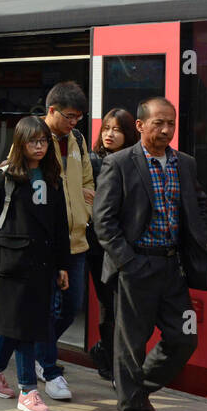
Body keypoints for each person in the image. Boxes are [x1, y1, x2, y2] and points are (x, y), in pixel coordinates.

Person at [93, 98, 207, 411]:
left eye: (171, 123)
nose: (166, 130)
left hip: (172, 267)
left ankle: (138, 390)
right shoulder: (119, 163)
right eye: (158, 123)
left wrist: (199, 235)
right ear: (141, 126)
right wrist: (128, 260)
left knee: (184, 338)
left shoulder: (184, 164)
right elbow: (104, 221)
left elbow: (201, 202)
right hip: (136, 266)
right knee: (131, 345)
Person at [0, 117, 71, 411]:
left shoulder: (53, 175)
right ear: (20, 143)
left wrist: (62, 265)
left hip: (41, 264)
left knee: (19, 326)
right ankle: (28, 390)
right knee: (24, 327)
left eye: (43, 142)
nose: (39, 147)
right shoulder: (5, 177)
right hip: (11, 263)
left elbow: (59, 226)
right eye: (33, 142)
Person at [34, 81, 95, 402]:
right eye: (69, 117)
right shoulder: (32, 135)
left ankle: (38, 348)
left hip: (75, 240)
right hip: (44, 242)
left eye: (78, 118)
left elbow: (87, 180)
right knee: (47, 307)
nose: (73, 123)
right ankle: (49, 368)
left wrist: (85, 208)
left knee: (71, 308)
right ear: (52, 110)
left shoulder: (77, 140)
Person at [86, 108, 136, 381]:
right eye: (106, 128)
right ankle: (110, 360)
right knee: (108, 303)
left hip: (127, 245)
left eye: (116, 129)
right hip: (98, 246)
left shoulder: (135, 161)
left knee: (124, 307)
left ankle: (106, 353)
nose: (109, 134)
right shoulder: (92, 161)